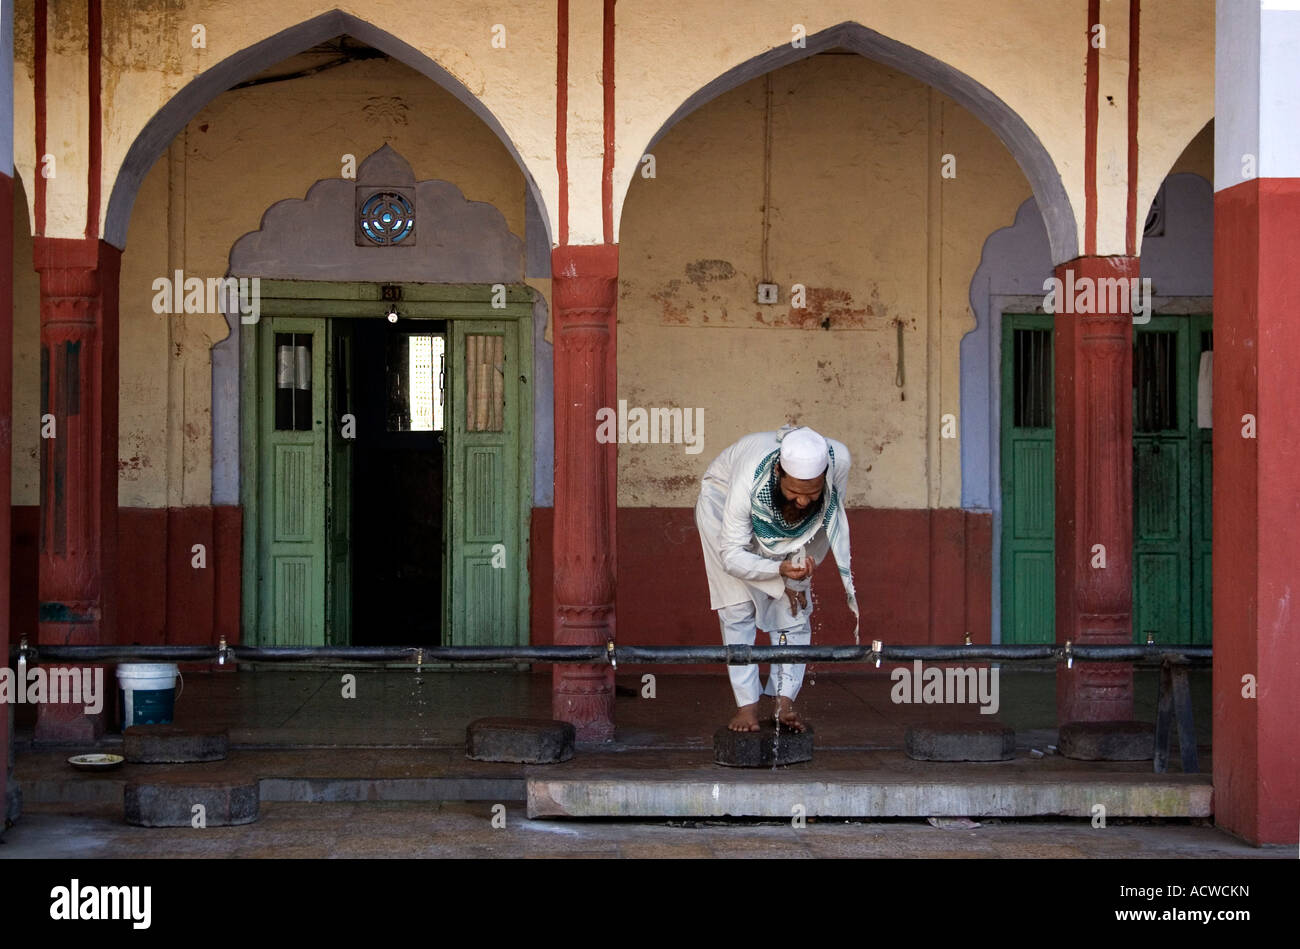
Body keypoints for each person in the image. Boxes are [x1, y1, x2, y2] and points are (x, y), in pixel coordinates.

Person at [695, 424, 859, 733]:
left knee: (794, 609)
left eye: (811, 493)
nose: (801, 502)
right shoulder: (747, 481)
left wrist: (797, 578)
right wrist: (778, 571)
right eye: (794, 492)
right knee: (737, 608)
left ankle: (785, 703)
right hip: (722, 511)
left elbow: (823, 523)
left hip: (792, 532)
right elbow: (732, 555)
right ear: (779, 473)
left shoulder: (840, 462)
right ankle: (747, 706)